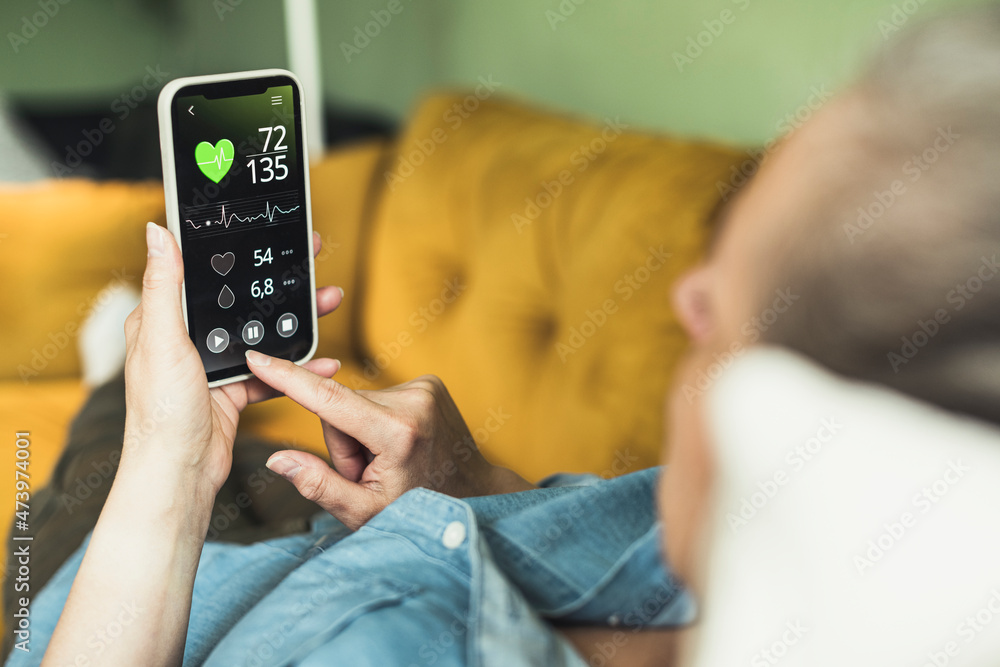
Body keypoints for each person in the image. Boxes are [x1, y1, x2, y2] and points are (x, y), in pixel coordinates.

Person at [7, 5, 1000, 665]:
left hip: (110, 597)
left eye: (732, 314)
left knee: (100, 451)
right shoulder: (714, 518)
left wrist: (162, 475)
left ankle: (110, 374)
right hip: (318, 534)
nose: (688, 296)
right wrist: (470, 489)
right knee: (230, 447)